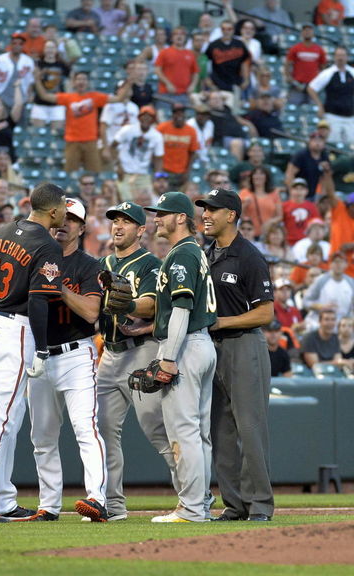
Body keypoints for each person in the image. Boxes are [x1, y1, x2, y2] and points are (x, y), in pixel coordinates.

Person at [0, 182, 66, 523]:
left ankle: (2, 498)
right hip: (13, 330)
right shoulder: (47, 244)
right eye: (64, 205)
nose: (65, 211)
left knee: (9, 415)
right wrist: (43, 349)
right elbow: (38, 300)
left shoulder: (1, 232)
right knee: (0, 418)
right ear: (53, 211)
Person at [19, 198, 108, 522]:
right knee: (41, 436)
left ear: (82, 228)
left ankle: (97, 498)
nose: (65, 223)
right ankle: (49, 505)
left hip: (76, 354)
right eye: (63, 217)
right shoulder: (37, 257)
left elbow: (91, 312)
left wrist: (58, 288)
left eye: (73, 219)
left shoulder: (88, 265)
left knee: (86, 428)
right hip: (41, 354)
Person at [91, 201, 180, 522]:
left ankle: (193, 496)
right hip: (109, 353)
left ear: (141, 230)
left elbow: (151, 305)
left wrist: (127, 303)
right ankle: (113, 506)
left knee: (156, 427)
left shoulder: (150, 264)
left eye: (126, 221)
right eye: (115, 220)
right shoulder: (102, 263)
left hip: (141, 351)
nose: (118, 226)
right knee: (103, 432)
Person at [196, 188, 275, 523]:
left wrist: (223, 321)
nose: (205, 215)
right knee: (221, 432)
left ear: (231, 215)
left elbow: (266, 312)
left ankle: (260, 505)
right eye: (204, 209)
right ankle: (235, 504)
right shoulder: (206, 254)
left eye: (213, 209)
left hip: (244, 345)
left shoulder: (249, 256)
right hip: (211, 349)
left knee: (250, 429)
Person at [143, 192, 217, 522]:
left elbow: (182, 309)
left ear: (182, 218)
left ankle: (191, 508)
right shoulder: (192, 251)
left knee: (183, 432)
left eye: (164, 213)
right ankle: (201, 503)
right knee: (198, 434)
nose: (157, 218)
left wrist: (169, 357)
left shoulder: (182, 254)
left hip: (185, 346)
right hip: (201, 344)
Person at [34, 69, 128, 174]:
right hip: (72, 141)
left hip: (91, 141)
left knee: (94, 173)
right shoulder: (67, 97)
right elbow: (44, 96)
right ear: (74, 82)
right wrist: (37, 80)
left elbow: (118, 99)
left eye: (84, 79)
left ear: (88, 82)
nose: (81, 81)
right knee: (70, 173)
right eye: (78, 79)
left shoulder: (95, 97)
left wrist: (130, 82)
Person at [308, 45, 354, 144]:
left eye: (343, 55)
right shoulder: (328, 73)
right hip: (332, 116)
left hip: (350, 116)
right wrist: (320, 106)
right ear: (334, 57)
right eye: (338, 55)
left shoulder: (352, 72)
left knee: (351, 144)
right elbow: (311, 88)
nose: (340, 58)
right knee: (333, 143)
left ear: (347, 57)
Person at [156, 103, 199, 190]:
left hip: (181, 172)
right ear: (172, 114)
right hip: (164, 170)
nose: (179, 115)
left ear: (184, 114)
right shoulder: (162, 128)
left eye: (181, 112)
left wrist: (187, 172)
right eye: (176, 112)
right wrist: (158, 170)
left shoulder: (191, 131)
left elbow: (193, 153)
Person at [284, 23, 326, 106]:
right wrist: (290, 79)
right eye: (305, 30)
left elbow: (323, 67)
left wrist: (319, 82)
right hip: (298, 86)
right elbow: (287, 65)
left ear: (313, 33)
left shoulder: (319, 50)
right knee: (294, 108)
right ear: (302, 33)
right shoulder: (295, 48)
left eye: (309, 30)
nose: (307, 32)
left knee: (313, 109)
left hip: (313, 86)